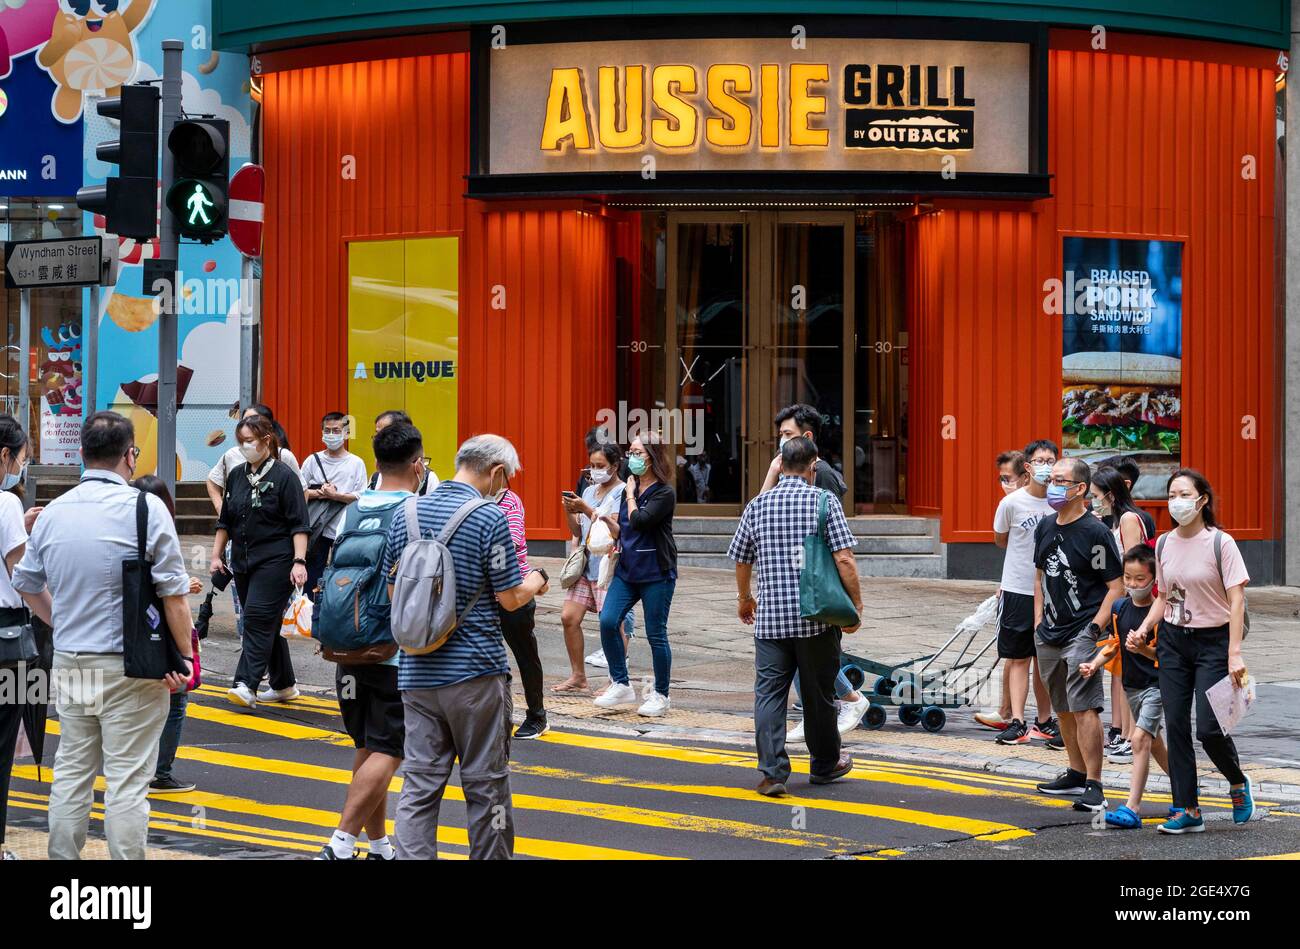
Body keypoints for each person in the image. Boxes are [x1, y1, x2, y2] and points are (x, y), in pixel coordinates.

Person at [12, 411, 193, 860]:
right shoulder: (145, 508)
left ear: (81, 454)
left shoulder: (53, 512)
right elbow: (174, 595)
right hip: (132, 668)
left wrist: (61, 621)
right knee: (128, 781)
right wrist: (184, 658)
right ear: (130, 455)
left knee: (72, 773)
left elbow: (27, 584)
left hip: (73, 661)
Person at [383, 434, 549, 860]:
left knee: (419, 783)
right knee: (486, 784)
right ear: (495, 472)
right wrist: (537, 580)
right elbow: (510, 596)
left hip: (416, 674)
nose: (504, 486)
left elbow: (391, 590)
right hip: (475, 674)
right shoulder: (488, 517)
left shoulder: (407, 513)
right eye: (505, 478)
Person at [729, 436, 861, 796]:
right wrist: (855, 607)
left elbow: (741, 558)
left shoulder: (758, 505)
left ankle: (772, 773)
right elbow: (845, 560)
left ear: (780, 464)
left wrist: (744, 598)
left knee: (769, 694)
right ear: (813, 466)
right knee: (818, 695)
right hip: (817, 620)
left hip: (770, 621)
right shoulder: (824, 501)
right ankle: (824, 764)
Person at [316, 422, 424, 860]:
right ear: (418, 464)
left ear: (376, 463)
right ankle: (340, 844)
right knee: (390, 750)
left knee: (368, 750)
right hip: (391, 654)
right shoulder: (416, 511)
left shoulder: (354, 509)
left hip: (348, 649)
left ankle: (379, 846)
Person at [1131, 469, 1254, 833]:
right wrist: (1143, 629)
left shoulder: (1221, 543)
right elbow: (1164, 597)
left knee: (1210, 730)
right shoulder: (1165, 544)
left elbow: (1236, 601)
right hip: (1173, 640)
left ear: (1202, 500)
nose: (1176, 501)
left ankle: (1236, 780)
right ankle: (1189, 809)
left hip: (1213, 642)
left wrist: (1234, 653)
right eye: (1172, 494)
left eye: (1184, 494)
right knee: (1176, 725)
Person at [759, 404, 868, 735]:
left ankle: (847, 698)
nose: (782, 443)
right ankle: (819, 712)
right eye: (780, 437)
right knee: (799, 649)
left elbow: (837, 548)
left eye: (788, 435)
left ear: (807, 438)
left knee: (808, 650)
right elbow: (758, 510)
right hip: (796, 579)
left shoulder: (819, 476)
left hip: (814, 581)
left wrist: (854, 602)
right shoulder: (790, 473)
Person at [1031, 457, 1124, 813]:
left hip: (1083, 630)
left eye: (1059, 480)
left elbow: (1115, 588)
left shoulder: (1095, 532)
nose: (1051, 485)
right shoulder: (1044, 526)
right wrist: (1039, 619)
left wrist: (1094, 628)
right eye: (1050, 478)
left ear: (1080, 488)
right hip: (1048, 632)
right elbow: (1038, 577)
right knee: (1062, 706)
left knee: (1085, 706)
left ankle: (1095, 785)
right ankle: (1074, 770)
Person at [211, 415, 310, 710]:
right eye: (240, 442)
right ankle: (283, 684)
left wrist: (299, 561)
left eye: (249, 441)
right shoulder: (238, 475)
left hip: (277, 561)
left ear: (266, 439)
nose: (244, 447)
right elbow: (225, 520)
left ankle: (245, 684)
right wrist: (216, 555)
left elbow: (299, 524)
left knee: (255, 617)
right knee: (267, 621)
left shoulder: (284, 477)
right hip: (243, 560)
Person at [1077, 544, 1170, 829]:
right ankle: (1186, 787)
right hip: (1132, 688)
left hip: (1156, 686)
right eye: (1127, 578)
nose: (1132, 584)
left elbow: (1162, 657)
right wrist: (1094, 663)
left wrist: (1142, 649)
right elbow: (1114, 646)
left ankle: (1132, 808)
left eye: (1139, 579)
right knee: (1154, 743)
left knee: (1140, 739)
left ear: (1155, 579)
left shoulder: (1161, 614)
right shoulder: (1119, 608)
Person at [593, 432, 677, 716]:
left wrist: (629, 494)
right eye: (631, 452)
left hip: (656, 572)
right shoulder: (632, 488)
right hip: (627, 570)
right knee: (607, 621)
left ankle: (661, 695)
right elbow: (626, 529)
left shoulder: (664, 492)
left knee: (656, 634)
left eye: (639, 453)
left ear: (653, 457)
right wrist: (608, 525)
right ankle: (620, 683)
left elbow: (640, 521)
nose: (632, 458)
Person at [132, 476, 204, 795]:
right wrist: (186, 654)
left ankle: (141, 767)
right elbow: (169, 596)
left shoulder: (123, 527)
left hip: (131, 637)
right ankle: (160, 772)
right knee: (176, 701)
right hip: (165, 634)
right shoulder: (159, 529)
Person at [988, 447, 1058, 746]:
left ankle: (1044, 720)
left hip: (1054, 592)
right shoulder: (1011, 503)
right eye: (1040, 461)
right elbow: (1001, 540)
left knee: (1046, 659)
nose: (1045, 466)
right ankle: (1017, 720)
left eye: (1051, 461)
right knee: (1018, 658)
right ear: (1028, 466)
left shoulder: (1061, 501)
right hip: (1017, 587)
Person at [557, 439, 636, 694]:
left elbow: (612, 528)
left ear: (615, 466)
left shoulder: (623, 492)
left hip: (608, 566)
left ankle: (617, 680)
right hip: (586, 564)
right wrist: (570, 511)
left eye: (600, 465)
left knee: (612, 623)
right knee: (569, 617)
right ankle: (578, 676)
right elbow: (578, 530)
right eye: (591, 465)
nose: (594, 470)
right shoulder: (590, 491)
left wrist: (585, 508)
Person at [0, 415, 42, 860]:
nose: (21, 469)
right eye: (22, 459)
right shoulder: (6, 504)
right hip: (7, 640)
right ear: (4, 455)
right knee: (3, 744)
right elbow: (24, 579)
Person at [1090, 466, 1151, 761]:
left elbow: (1136, 565)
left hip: (1132, 604)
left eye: (1097, 495)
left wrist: (1127, 603)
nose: (1094, 500)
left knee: (1130, 670)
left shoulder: (1128, 519)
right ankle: (1125, 734)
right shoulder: (1114, 520)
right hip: (1122, 603)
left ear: (1112, 495)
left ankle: (1131, 735)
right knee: (1122, 669)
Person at [495, 475, 549, 739]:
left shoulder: (511, 501)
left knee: (525, 655)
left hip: (516, 592)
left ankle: (537, 715)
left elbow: (510, 541)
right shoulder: (473, 500)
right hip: (484, 597)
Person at [302, 411, 368, 599]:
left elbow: (361, 496)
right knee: (313, 576)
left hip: (344, 530)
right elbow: (299, 491)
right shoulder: (312, 460)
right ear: (322, 432)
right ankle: (311, 615)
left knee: (343, 575)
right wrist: (319, 493)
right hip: (317, 530)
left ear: (346, 433)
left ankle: (336, 609)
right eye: (327, 430)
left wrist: (336, 495)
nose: (331, 435)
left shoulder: (356, 463)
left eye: (336, 430)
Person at [206, 402, 305, 514]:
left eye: (253, 420)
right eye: (245, 420)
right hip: (238, 527)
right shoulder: (231, 455)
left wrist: (298, 521)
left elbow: (302, 490)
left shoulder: (283, 456)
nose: (248, 424)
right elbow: (213, 481)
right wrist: (221, 510)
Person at [760, 403, 847, 499]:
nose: (783, 440)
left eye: (788, 434)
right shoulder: (779, 463)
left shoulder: (823, 473)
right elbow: (759, 507)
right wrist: (773, 471)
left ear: (807, 437)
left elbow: (832, 511)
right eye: (781, 434)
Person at [369, 410, 437, 494]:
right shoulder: (375, 478)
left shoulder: (428, 479)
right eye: (377, 435)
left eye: (385, 434)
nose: (379, 440)